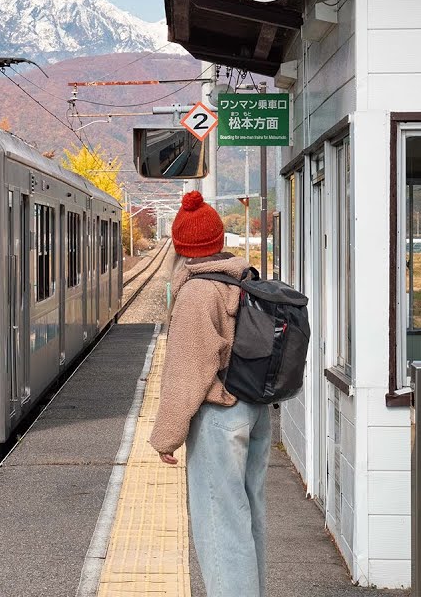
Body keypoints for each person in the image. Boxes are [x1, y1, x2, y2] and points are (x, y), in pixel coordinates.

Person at [150, 191, 267, 597]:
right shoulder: (244, 277)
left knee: (220, 522)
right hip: (255, 410)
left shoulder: (197, 293)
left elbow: (188, 371)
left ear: (181, 248)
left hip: (222, 415)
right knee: (247, 517)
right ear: (218, 241)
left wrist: (167, 437)